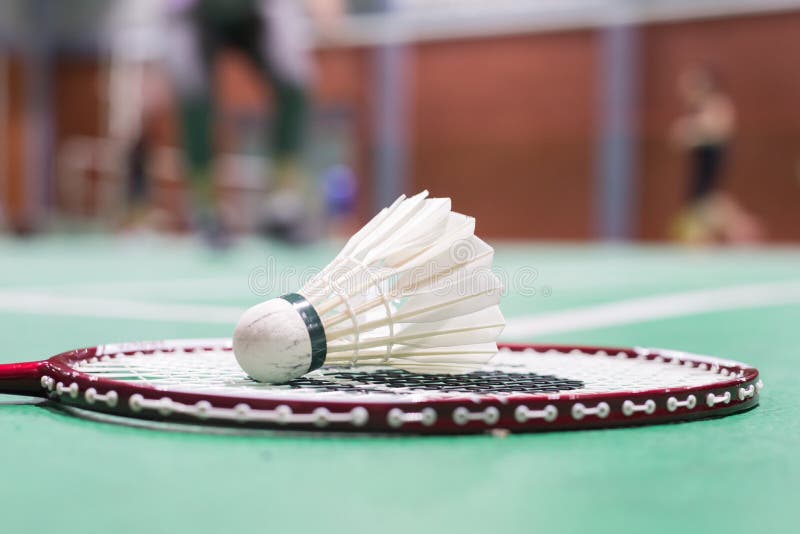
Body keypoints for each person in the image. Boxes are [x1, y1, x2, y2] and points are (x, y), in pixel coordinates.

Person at [670, 65, 763, 244]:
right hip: (702, 167)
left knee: (708, 202)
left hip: (712, 160)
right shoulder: (700, 108)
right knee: (703, 205)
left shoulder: (716, 104)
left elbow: (718, 128)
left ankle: (743, 229)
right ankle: (719, 235)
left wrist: (692, 131)